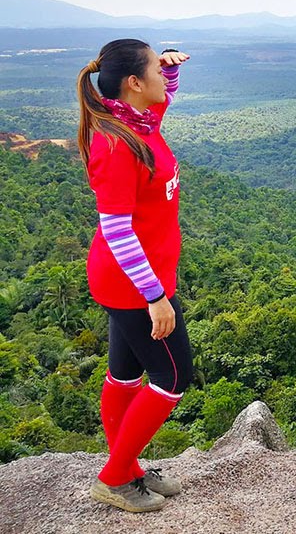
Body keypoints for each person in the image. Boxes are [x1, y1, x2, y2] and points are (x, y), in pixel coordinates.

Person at [76, 39, 194, 513]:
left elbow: (160, 103)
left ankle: (128, 466)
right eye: (155, 71)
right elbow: (117, 230)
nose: (163, 78)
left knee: (125, 374)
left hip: (129, 281)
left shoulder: (136, 122)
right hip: (133, 285)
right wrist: (155, 296)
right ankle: (115, 477)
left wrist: (169, 73)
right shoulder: (115, 145)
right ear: (133, 83)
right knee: (172, 376)